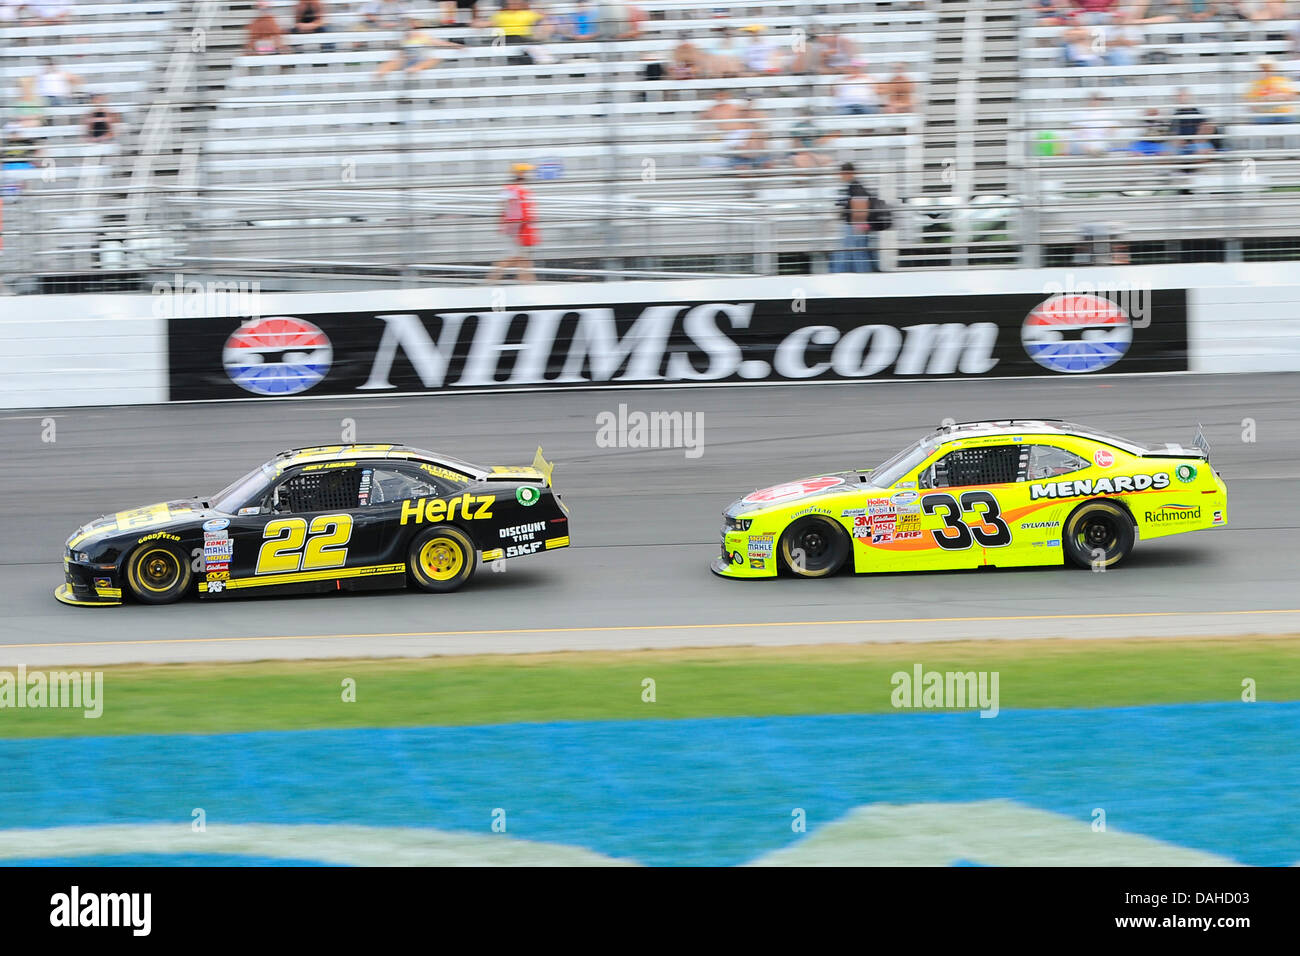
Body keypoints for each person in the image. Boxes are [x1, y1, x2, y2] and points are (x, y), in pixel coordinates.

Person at [487, 163, 539, 282]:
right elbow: (503, 206)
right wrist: (501, 224)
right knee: (517, 258)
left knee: (522, 259)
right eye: (525, 172)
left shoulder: (520, 189)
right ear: (519, 173)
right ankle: (491, 281)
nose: (527, 175)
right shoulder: (511, 189)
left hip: (520, 227)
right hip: (516, 228)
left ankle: (527, 284)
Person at [830, 162, 879, 273]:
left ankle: (863, 276)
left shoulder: (855, 187)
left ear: (849, 173)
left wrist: (858, 227)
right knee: (856, 253)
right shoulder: (852, 186)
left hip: (855, 227)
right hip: (854, 226)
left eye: (843, 173)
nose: (841, 176)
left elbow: (861, 207)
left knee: (859, 254)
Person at [375, 18, 462, 76]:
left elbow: (440, 43)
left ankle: (416, 68)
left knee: (434, 59)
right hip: (406, 61)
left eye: (414, 29)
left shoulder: (422, 37)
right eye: (409, 29)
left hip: (420, 61)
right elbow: (399, 54)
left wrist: (454, 45)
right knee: (392, 62)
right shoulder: (403, 39)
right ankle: (382, 71)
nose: (412, 31)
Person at [1246, 58, 1297, 123]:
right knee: (1262, 120)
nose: (1266, 70)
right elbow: (1252, 104)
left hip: (1283, 113)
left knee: (1288, 118)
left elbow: (1289, 96)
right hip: (1264, 115)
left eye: (1268, 67)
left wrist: (1265, 99)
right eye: (1263, 68)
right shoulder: (1255, 84)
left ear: (1273, 69)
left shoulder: (1282, 80)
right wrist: (1274, 98)